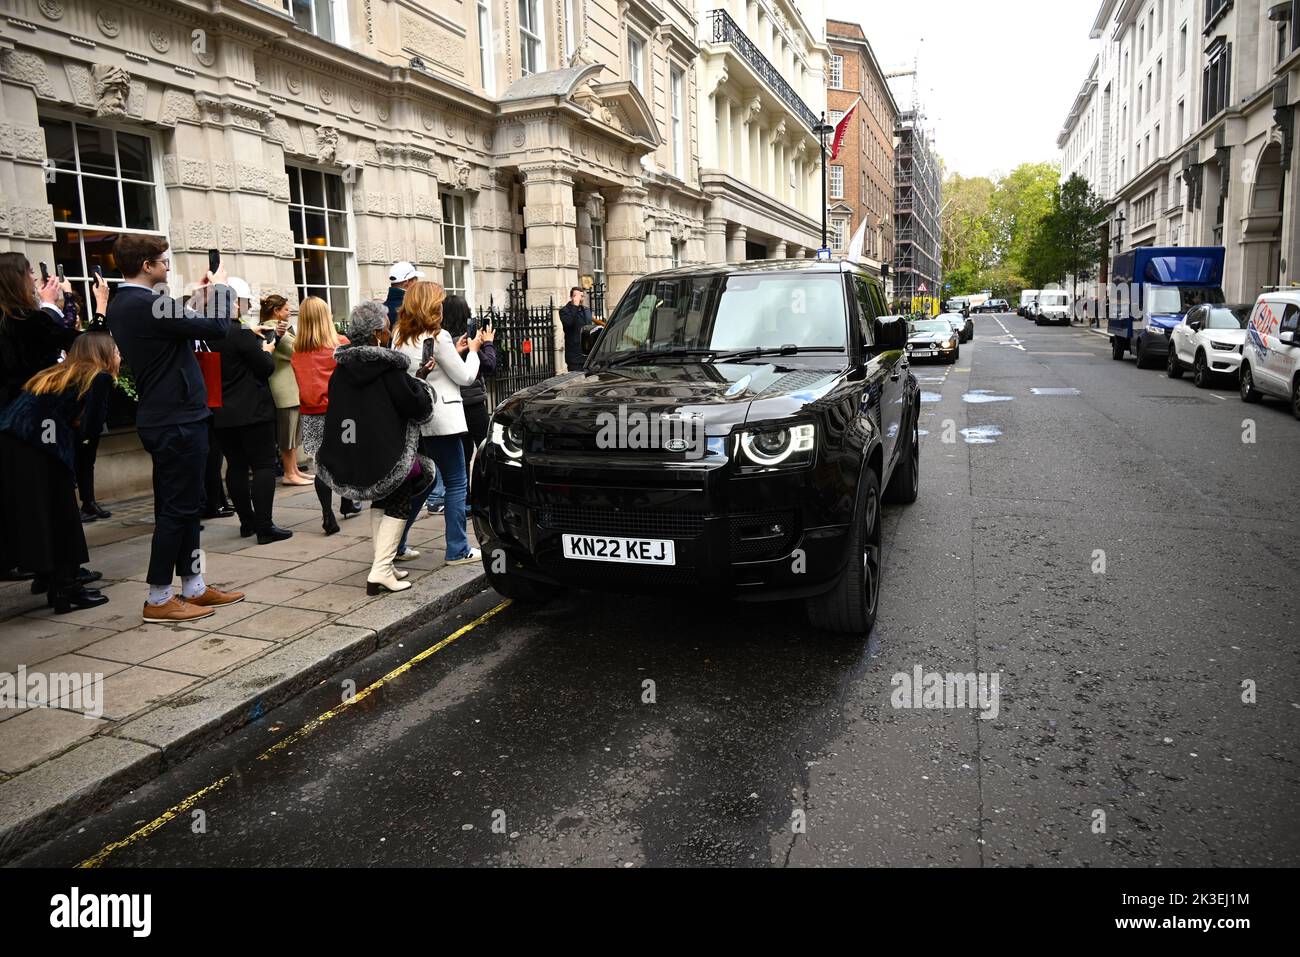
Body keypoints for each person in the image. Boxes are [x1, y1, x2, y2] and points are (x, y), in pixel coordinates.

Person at [105, 234, 245, 624]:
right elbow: (218, 327)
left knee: (187, 507)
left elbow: (180, 325)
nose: (168, 266)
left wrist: (197, 300)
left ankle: (193, 586)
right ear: (147, 266)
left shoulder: (132, 304)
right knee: (175, 510)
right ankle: (158, 596)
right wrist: (220, 289)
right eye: (163, 261)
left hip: (176, 416)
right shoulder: (143, 304)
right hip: (175, 419)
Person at [315, 300, 434, 596]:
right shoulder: (387, 367)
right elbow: (415, 405)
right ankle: (380, 571)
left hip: (357, 451)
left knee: (381, 501)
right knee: (400, 499)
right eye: (386, 326)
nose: (389, 330)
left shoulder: (341, 369)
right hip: (390, 453)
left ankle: (384, 564)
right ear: (378, 333)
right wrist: (422, 384)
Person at [0, 332, 122, 613]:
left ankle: (48, 577)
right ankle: (67, 590)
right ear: (102, 354)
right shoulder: (99, 377)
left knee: (39, 515)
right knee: (63, 515)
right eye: (115, 350)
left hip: (12, 446)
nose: (120, 355)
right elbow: (91, 430)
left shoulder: (57, 373)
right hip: (40, 449)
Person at [0, 253, 82, 581]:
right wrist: (56, 304)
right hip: (34, 424)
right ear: (15, 279)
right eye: (29, 272)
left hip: (16, 424)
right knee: (52, 496)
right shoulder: (24, 322)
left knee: (36, 500)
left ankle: (49, 573)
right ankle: (63, 580)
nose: (35, 278)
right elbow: (69, 339)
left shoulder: (20, 320)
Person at [390, 280, 482, 567]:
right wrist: (475, 350)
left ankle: (397, 545)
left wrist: (452, 350)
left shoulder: (399, 336)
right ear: (431, 305)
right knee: (455, 482)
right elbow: (465, 377)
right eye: (439, 301)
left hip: (416, 419)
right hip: (443, 419)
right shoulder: (437, 336)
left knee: (423, 482)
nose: (442, 305)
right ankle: (457, 549)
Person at [206, 281, 293, 545]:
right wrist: (266, 350)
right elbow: (265, 368)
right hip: (253, 411)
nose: (237, 306)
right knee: (264, 465)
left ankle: (247, 523)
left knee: (236, 466)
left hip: (220, 411)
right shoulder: (239, 333)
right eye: (234, 302)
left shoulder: (207, 335)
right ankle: (265, 527)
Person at [291, 296, 362, 535]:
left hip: (310, 413)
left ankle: (327, 514)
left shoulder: (296, 350)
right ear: (325, 318)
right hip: (340, 412)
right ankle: (346, 500)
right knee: (347, 456)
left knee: (320, 464)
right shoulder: (340, 344)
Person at [440, 294, 498, 471]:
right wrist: (488, 343)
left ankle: (465, 496)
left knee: (462, 456)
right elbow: (489, 365)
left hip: (454, 405)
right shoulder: (466, 340)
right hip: (473, 404)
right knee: (486, 449)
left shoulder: (443, 340)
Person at [261, 295, 312, 486]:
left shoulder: (278, 328)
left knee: (291, 434)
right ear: (276, 311)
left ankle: (294, 470)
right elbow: (296, 350)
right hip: (283, 389)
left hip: (288, 388)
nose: (289, 312)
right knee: (287, 436)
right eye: (285, 310)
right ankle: (289, 473)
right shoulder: (274, 329)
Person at [75, 283, 115, 522]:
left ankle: (88, 502)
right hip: (77, 421)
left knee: (87, 461)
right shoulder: (97, 375)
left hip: (85, 420)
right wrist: (101, 303)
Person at [558, 286, 592, 371]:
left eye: (582, 296)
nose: (581, 299)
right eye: (577, 296)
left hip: (588, 355)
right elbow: (568, 323)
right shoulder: (564, 311)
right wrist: (575, 306)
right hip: (574, 357)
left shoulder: (587, 310)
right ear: (571, 297)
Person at [383, 261, 424, 327]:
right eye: (415, 279)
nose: (417, 283)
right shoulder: (414, 309)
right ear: (407, 282)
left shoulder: (382, 308)